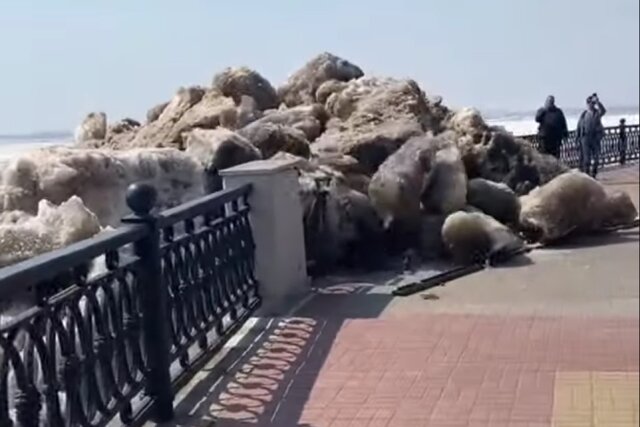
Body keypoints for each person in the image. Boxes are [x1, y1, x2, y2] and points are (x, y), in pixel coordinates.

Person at [576, 94, 607, 178]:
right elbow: (579, 127)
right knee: (587, 159)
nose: (590, 105)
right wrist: (577, 139)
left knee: (596, 158)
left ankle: (594, 173)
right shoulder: (583, 114)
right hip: (585, 138)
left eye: (592, 103)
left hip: (595, 138)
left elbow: (603, 111)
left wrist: (597, 102)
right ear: (587, 104)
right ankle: (587, 175)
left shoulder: (597, 113)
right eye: (589, 103)